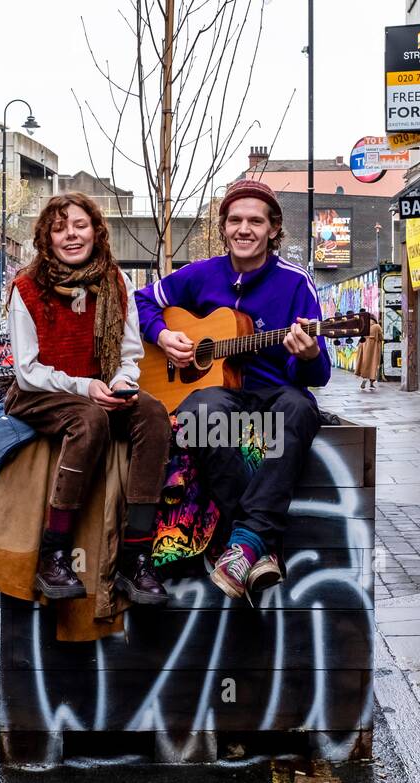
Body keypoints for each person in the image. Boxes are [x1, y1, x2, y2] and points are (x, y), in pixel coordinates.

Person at [135, 178, 330, 599]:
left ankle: (240, 542)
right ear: (223, 227)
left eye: (255, 221)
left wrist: (309, 354)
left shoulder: (296, 284)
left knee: (299, 410)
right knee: (200, 411)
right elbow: (141, 301)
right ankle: (259, 545)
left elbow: (319, 376)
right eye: (235, 220)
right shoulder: (200, 275)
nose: (244, 229)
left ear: (273, 229)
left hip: (276, 396)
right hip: (223, 398)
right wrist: (164, 335)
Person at [4, 193, 171, 605]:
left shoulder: (117, 282)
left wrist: (120, 383)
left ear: (96, 231)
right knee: (90, 420)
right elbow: (28, 371)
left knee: (152, 414)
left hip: (100, 388)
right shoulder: (26, 288)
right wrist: (86, 388)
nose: (71, 235)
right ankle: (53, 553)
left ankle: (136, 556)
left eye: (79, 225)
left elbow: (130, 354)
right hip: (41, 394)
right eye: (59, 228)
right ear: (47, 237)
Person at [355, 312, 384, 390]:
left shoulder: (364, 326)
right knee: (373, 364)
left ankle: (364, 378)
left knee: (365, 363)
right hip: (374, 348)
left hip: (364, 347)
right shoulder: (377, 326)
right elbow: (381, 337)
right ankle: (371, 383)